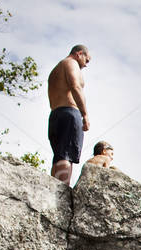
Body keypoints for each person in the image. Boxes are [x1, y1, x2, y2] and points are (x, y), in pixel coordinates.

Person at [47, 44, 91, 183]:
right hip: (70, 113)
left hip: (55, 114)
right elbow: (75, 86)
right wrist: (84, 114)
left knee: (59, 156)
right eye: (87, 60)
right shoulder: (71, 63)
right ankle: (62, 191)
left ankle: (53, 187)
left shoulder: (56, 69)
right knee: (67, 156)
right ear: (79, 54)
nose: (86, 65)